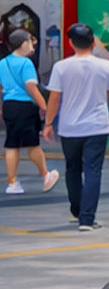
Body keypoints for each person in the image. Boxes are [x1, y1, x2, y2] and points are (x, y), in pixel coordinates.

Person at [43, 24, 109, 229]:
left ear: (70, 43)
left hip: (69, 128)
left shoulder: (61, 67)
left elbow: (54, 98)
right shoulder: (105, 66)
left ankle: (77, 210)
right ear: (93, 42)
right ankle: (87, 219)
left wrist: (48, 123)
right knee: (93, 171)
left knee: (72, 169)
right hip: (97, 127)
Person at [2, 30, 56, 195]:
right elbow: (31, 87)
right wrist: (44, 105)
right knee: (32, 144)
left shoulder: (3, 62)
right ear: (23, 43)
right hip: (25, 107)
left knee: (11, 143)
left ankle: (12, 183)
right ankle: (46, 175)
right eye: (30, 41)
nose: (33, 44)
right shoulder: (26, 64)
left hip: (9, 105)